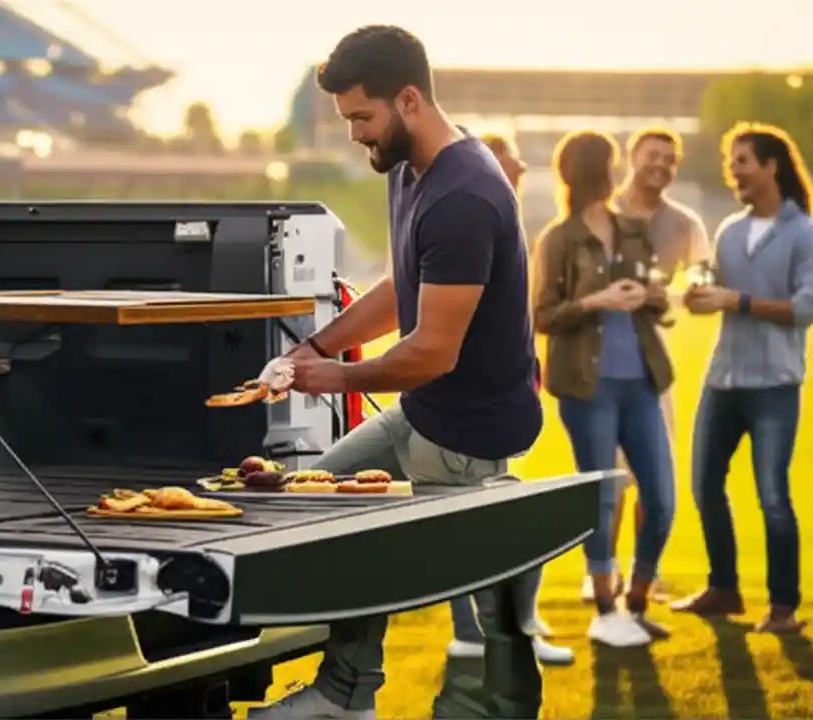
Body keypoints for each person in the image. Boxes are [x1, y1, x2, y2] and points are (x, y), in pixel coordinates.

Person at [247, 25, 543, 719]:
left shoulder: (464, 195)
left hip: (469, 427)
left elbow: (432, 350)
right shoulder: (414, 168)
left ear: (408, 99)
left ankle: (515, 542)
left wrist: (337, 379)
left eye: (361, 117)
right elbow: (404, 287)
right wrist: (315, 349)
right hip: (427, 406)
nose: (354, 134)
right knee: (317, 502)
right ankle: (347, 696)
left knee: (450, 575)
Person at [672, 122, 813, 634]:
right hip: (723, 380)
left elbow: (806, 308)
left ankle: (783, 607)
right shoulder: (730, 232)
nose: (733, 171)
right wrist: (701, 296)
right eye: (731, 162)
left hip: (775, 387)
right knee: (704, 486)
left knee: (771, 495)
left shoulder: (809, 235)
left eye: (742, 161)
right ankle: (724, 589)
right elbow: (714, 294)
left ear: (771, 166)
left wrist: (735, 300)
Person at [530, 130, 676, 648]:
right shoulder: (559, 239)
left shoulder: (633, 232)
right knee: (602, 497)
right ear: (598, 170)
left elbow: (663, 301)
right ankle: (606, 607)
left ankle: (636, 602)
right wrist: (598, 301)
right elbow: (543, 316)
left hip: (641, 381)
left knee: (661, 500)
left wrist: (646, 296)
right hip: (587, 389)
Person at [445, 131, 574, 667]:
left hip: (500, 398)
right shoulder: (471, 224)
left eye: (517, 170)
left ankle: (487, 631)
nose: (515, 175)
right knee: (499, 519)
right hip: (471, 406)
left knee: (477, 517)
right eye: (507, 167)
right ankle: (497, 632)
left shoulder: (507, 225)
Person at [579, 127, 711, 604]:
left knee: (651, 478)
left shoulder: (684, 224)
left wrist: (667, 294)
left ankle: (641, 578)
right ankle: (601, 575)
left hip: (652, 366)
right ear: (633, 156)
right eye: (653, 155)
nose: (661, 165)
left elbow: (700, 281)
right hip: (598, 365)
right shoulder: (599, 213)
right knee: (607, 478)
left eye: (670, 159)